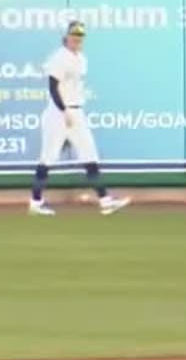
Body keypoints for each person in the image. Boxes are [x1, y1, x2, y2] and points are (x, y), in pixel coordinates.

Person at [30, 22, 131, 216]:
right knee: (48, 158)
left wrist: (72, 112)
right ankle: (35, 202)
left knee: (90, 154)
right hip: (58, 114)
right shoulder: (59, 57)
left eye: (80, 37)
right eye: (74, 36)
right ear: (67, 36)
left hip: (77, 112)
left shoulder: (82, 58)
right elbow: (52, 87)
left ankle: (105, 201)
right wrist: (64, 110)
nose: (77, 40)